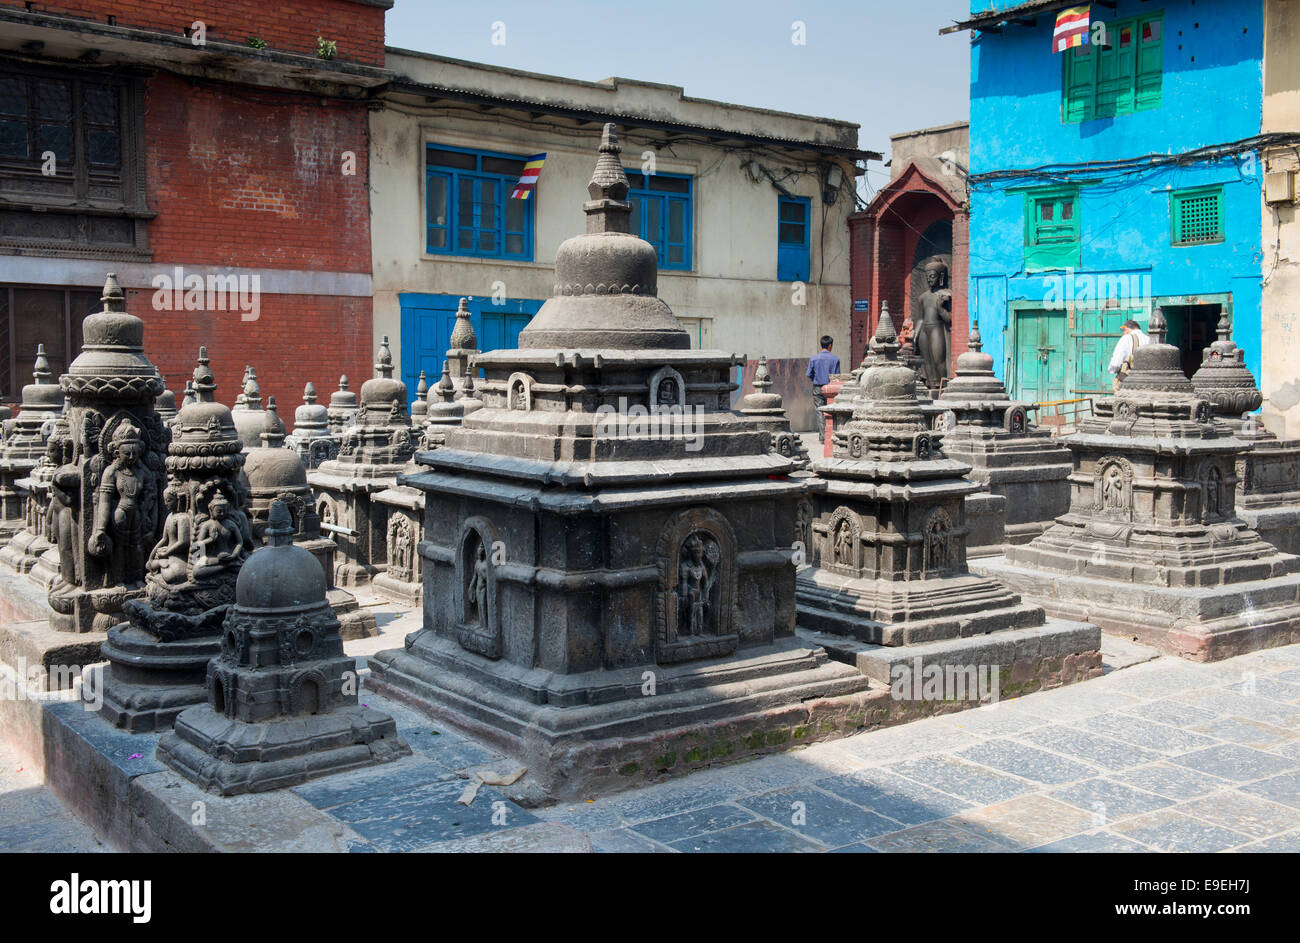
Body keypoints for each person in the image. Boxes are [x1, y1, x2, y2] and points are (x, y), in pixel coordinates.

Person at [806, 336, 841, 443]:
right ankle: (832, 435)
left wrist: (816, 379)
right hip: (830, 388)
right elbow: (836, 376)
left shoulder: (814, 358)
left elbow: (808, 374)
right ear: (830, 345)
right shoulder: (835, 359)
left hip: (818, 388)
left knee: (820, 412)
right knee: (831, 412)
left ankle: (823, 436)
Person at [1108, 319, 1149, 392]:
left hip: (1129, 381)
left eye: (1123, 331)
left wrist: (1112, 369)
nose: (1123, 333)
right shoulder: (1149, 339)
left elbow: (1116, 363)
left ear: (1126, 329)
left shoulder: (1126, 338)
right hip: (1146, 381)